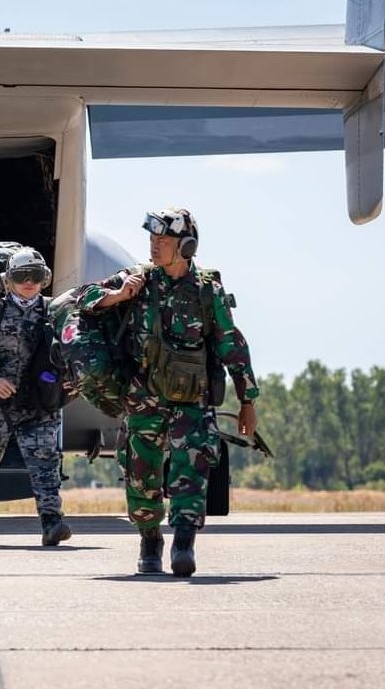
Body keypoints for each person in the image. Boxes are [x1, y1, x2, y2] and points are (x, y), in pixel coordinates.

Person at [76, 208, 259, 576]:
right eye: (152, 240)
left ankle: (184, 542)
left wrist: (247, 401)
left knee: (192, 471)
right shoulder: (139, 280)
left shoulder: (208, 291)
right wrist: (118, 296)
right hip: (144, 398)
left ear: (186, 246)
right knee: (141, 473)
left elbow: (231, 346)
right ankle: (149, 540)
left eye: (163, 241)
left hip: (193, 399)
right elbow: (84, 299)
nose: (154, 247)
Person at [0, 247, 72, 547]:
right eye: (21, 277)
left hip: (39, 404)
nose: (28, 283)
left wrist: (70, 382)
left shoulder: (55, 312)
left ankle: (52, 521)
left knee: (45, 463)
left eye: (34, 276)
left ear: (44, 278)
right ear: (9, 280)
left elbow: (73, 349)